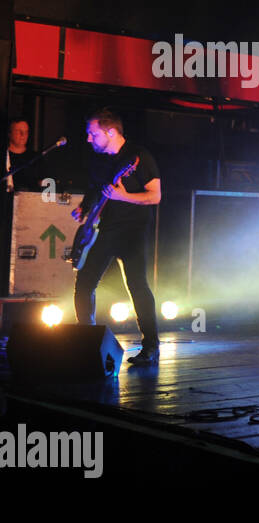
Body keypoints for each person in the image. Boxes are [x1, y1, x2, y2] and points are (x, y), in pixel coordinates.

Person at [72, 109, 161, 365]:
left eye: (93, 133)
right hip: (104, 230)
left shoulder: (139, 157)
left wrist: (124, 197)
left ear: (111, 132)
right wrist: (85, 208)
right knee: (84, 282)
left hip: (133, 231)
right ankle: (85, 339)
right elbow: (95, 189)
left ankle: (151, 347)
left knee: (137, 286)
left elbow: (155, 196)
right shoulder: (99, 159)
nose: (88, 139)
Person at [6, 118, 44, 192]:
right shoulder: (4, 157)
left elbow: (45, 181)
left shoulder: (36, 157)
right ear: (9, 133)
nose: (23, 135)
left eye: (26, 132)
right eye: (18, 131)